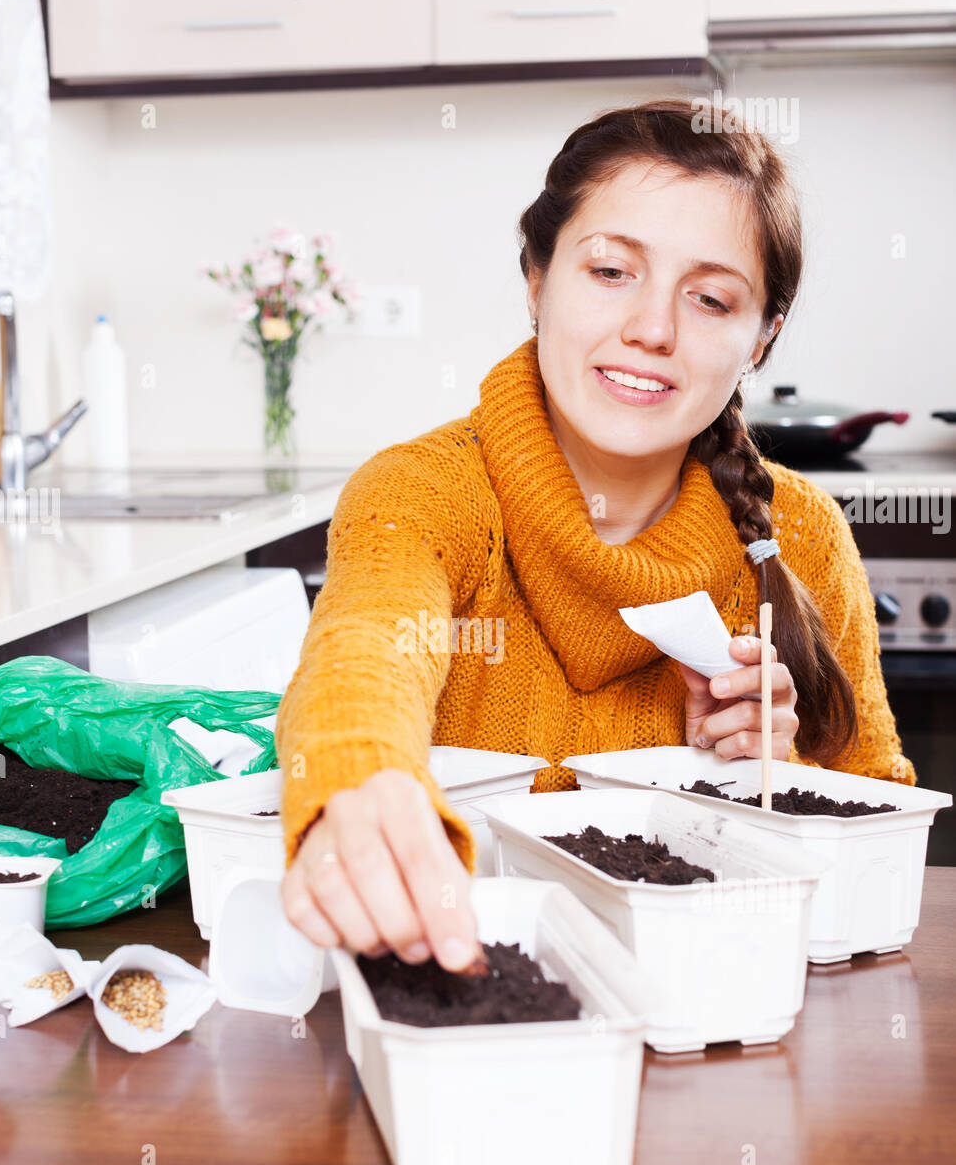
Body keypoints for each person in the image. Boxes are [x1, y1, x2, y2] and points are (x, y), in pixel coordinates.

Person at [275, 97, 914, 974]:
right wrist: (363, 782)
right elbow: (365, 655)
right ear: (536, 279)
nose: (652, 329)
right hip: (465, 1006)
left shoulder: (799, 532)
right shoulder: (422, 491)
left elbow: (872, 835)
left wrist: (771, 776)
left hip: (722, 1010)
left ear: (761, 337)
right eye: (611, 271)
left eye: (710, 298)